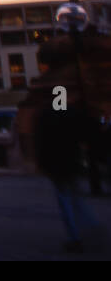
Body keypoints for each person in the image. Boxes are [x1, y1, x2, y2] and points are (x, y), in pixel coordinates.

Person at [35, 100, 104, 252]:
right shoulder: (72, 113)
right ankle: (91, 226)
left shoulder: (46, 116)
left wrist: (42, 163)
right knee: (75, 198)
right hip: (72, 162)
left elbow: (41, 142)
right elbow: (87, 134)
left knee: (65, 200)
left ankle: (75, 237)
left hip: (56, 165)